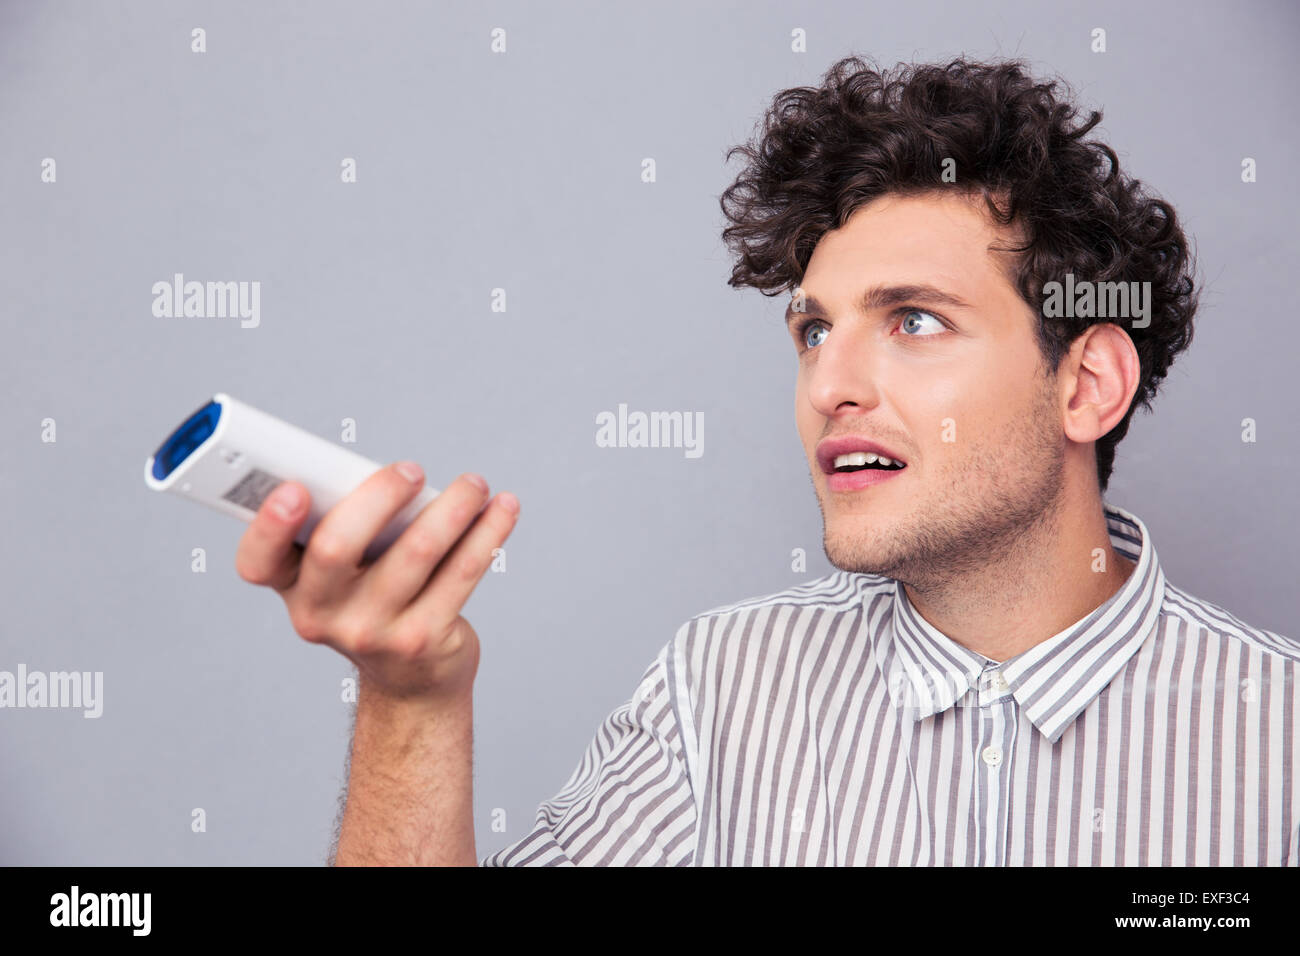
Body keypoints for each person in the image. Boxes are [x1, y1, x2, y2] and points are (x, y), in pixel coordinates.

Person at [234, 56, 1298, 865]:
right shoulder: (720, 689)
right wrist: (410, 697)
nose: (830, 382)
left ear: (1085, 384)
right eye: (812, 330)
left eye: (914, 321)